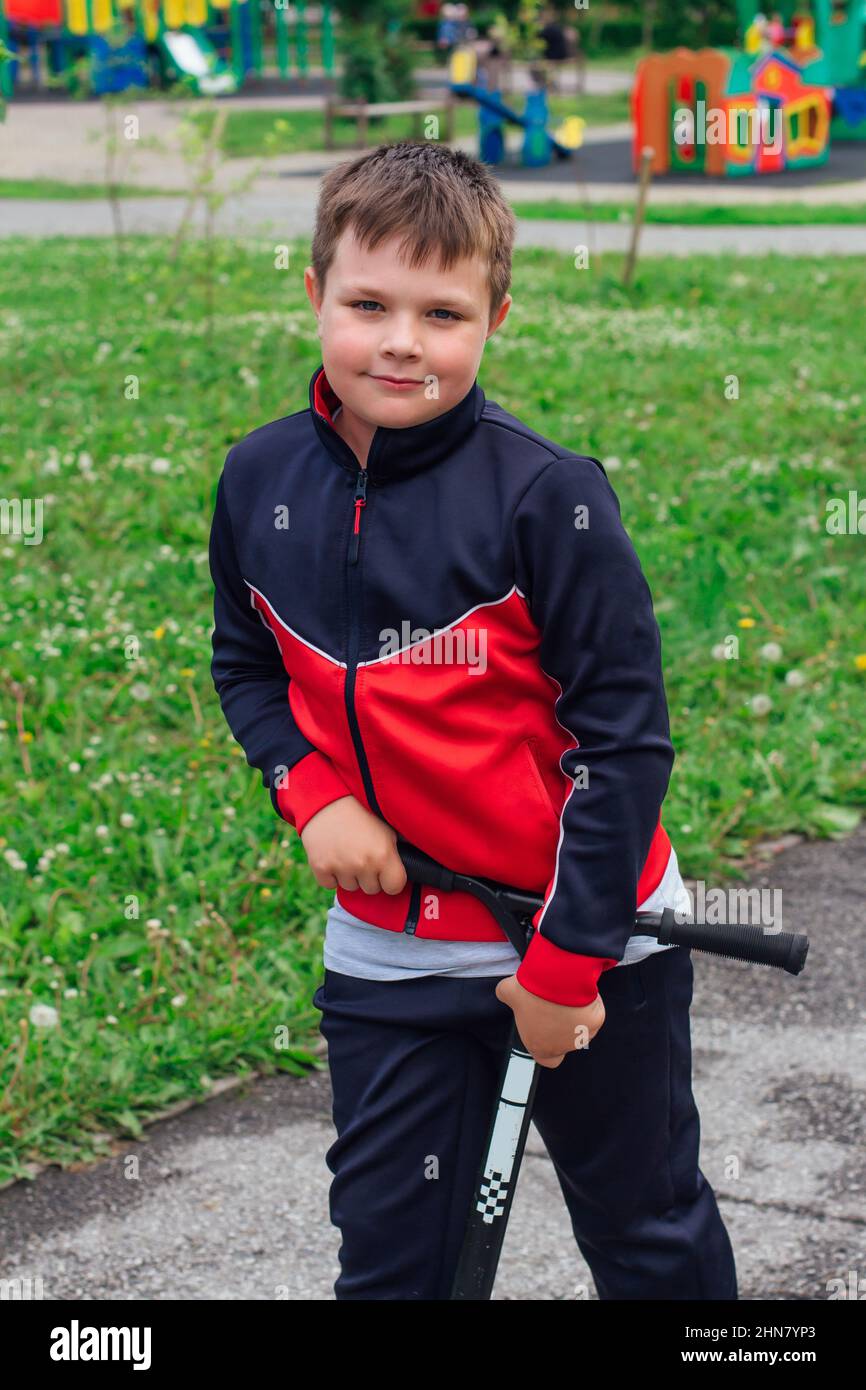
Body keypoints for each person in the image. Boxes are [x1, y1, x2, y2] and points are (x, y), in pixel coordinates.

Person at [207, 140, 738, 1302]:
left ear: (495, 315)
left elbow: (625, 742)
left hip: (592, 939)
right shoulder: (256, 482)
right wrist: (312, 792)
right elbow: (243, 662)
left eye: (441, 312)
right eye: (367, 303)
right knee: (396, 1264)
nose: (401, 340)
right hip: (392, 949)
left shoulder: (549, 497)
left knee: (647, 1235)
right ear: (314, 294)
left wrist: (566, 960)